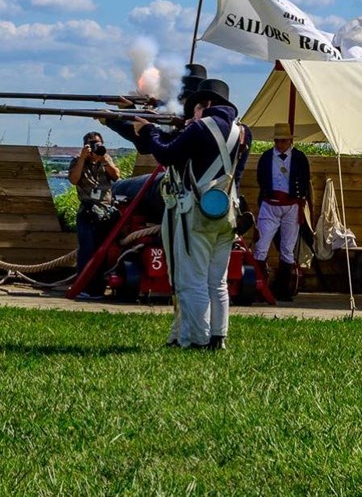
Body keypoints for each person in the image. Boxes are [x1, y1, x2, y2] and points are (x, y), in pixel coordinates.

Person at [133, 78, 242, 350]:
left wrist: (148, 131)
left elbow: (166, 155)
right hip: (227, 213)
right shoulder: (243, 132)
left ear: (205, 105)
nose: (191, 112)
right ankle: (218, 337)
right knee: (217, 282)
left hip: (196, 213)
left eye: (195, 107)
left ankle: (198, 340)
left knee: (191, 282)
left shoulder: (201, 127)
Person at [252, 122, 312, 300]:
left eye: (283, 141)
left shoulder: (300, 158)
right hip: (270, 204)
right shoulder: (266, 157)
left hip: (291, 206)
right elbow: (261, 179)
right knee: (261, 246)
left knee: (287, 248)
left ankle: (283, 290)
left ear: (290, 141)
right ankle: (259, 288)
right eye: (277, 141)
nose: (280, 144)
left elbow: (305, 180)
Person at [68, 130, 120, 298]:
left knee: (102, 251)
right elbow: (74, 180)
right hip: (88, 211)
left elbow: (116, 176)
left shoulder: (106, 160)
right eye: (93, 143)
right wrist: (83, 158)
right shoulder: (78, 161)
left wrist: (104, 160)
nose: (96, 146)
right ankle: (83, 287)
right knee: (87, 249)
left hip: (105, 211)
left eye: (98, 142)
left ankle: (97, 289)